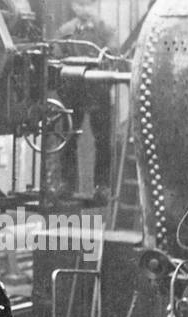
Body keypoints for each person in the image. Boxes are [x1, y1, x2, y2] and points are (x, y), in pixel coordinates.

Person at [55, 0, 115, 202]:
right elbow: (57, 61)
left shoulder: (106, 30)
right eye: (81, 4)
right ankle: (67, 185)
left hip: (99, 93)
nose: (86, 10)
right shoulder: (65, 32)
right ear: (73, 6)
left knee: (103, 141)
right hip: (73, 94)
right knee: (68, 138)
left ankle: (102, 187)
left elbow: (114, 58)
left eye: (90, 5)